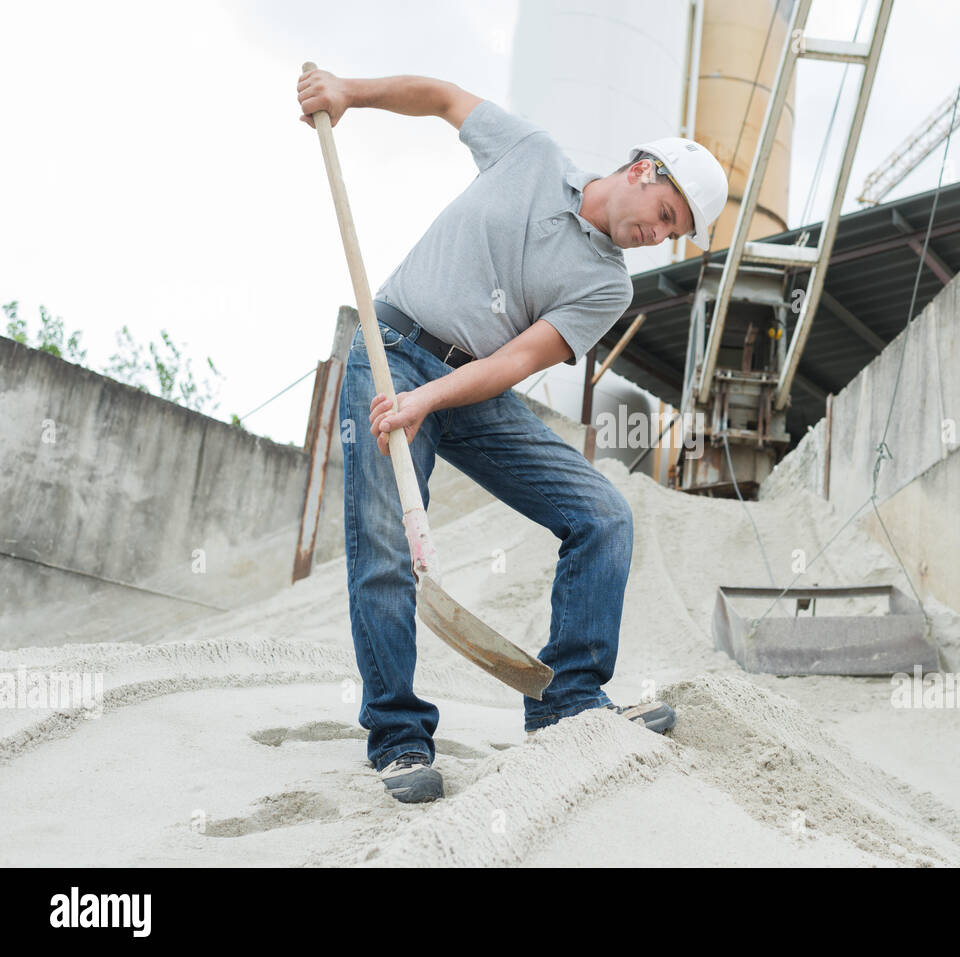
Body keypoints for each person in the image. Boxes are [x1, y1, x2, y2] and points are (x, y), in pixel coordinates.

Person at [295, 69, 729, 803]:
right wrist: (346, 94)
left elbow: (516, 361)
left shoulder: (609, 285)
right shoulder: (529, 153)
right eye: (662, 212)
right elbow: (441, 99)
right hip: (390, 349)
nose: (656, 234)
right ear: (639, 169)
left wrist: (427, 400)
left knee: (604, 513)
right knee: (384, 547)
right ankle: (398, 738)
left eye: (671, 232)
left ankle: (567, 699)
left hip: (467, 390)